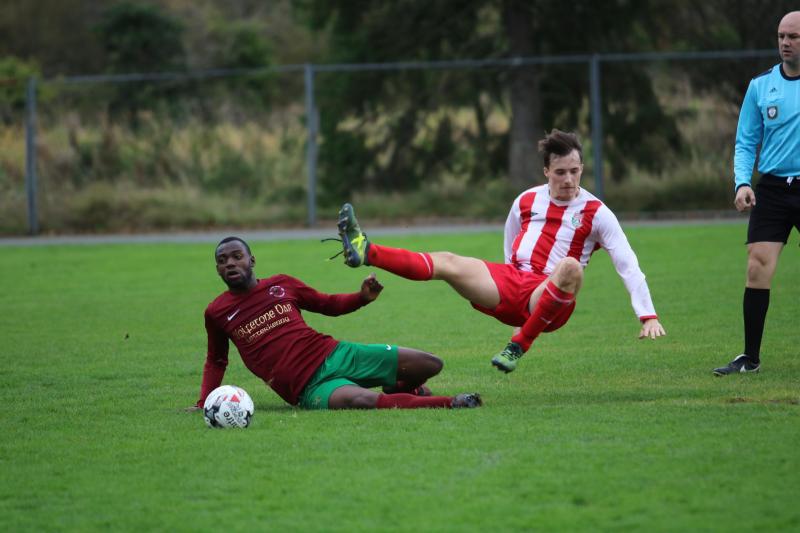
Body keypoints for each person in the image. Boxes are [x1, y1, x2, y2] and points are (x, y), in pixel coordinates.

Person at [333, 129, 666, 374]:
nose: (568, 179)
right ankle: (366, 249)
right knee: (448, 261)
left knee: (571, 268)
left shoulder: (597, 212)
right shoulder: (526, 200)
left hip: (550, 298)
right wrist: (506, 280)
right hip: (512, 283)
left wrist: (647, 315)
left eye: (575, 171)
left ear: (582, 169)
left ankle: (518, 345)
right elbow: (510, 244)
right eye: (560, 172)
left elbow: (628, 263)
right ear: (546, 171)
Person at [189, 236, 482, 411]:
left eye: (236, 257)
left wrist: (361, 298)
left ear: (251, 260)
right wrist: (204, 403)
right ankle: (450, 403)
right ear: (217, 268)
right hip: (307, 387)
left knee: (430, 364)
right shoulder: (216, 311)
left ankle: (400, 388)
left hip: (335, 354)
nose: (229, 263)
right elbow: (216, 360)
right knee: (362, 401)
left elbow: (326, 304)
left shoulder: (281, 284)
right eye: (222, 260)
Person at [713, 11, 800, 376]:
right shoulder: (760, 86)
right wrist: (742, 182)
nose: (785, 42)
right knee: (756, 267)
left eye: (793, 36)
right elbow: (746, 141)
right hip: (774, 189)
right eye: (781, 35)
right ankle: (750, 358)